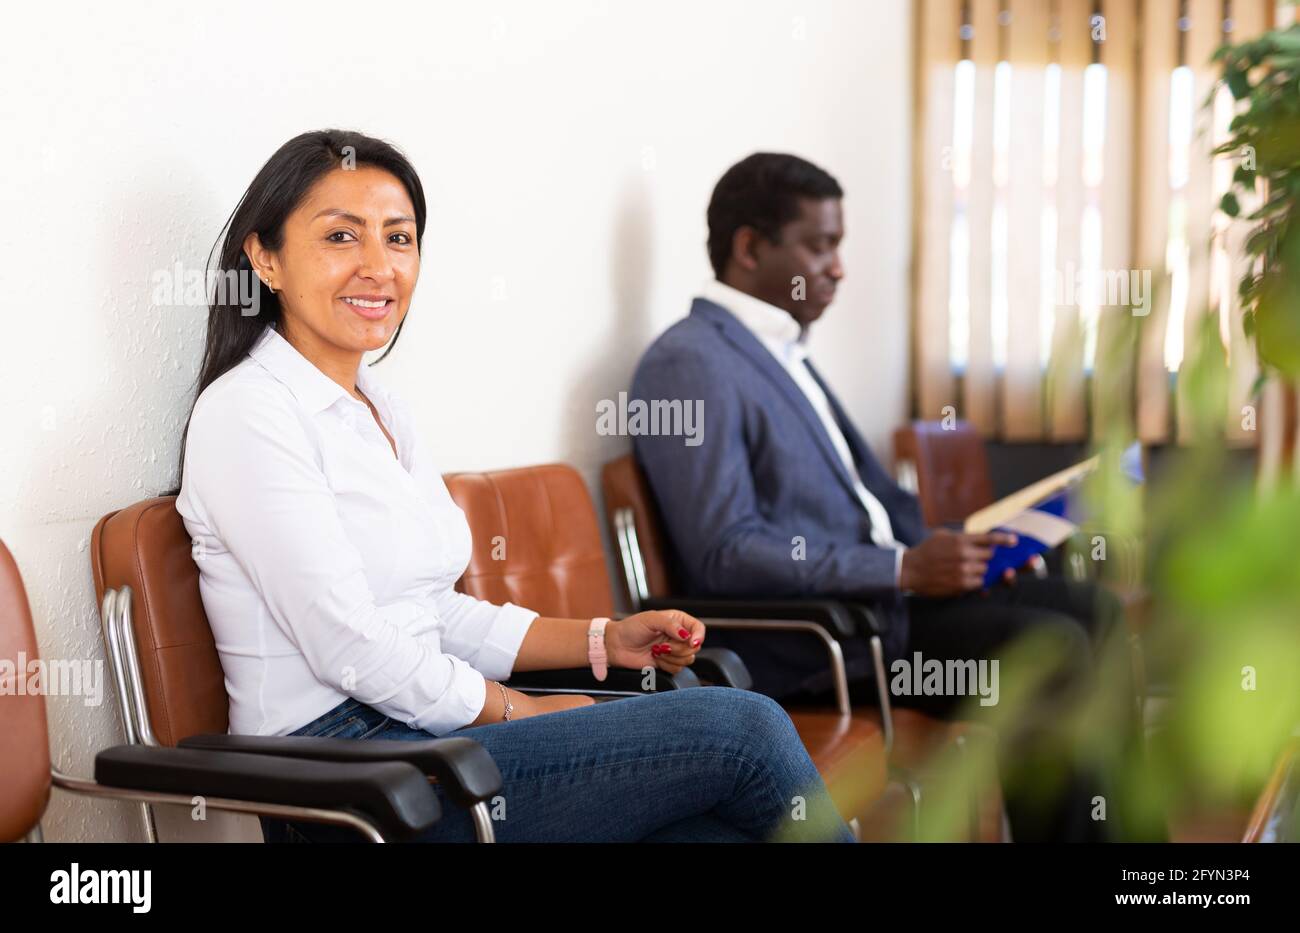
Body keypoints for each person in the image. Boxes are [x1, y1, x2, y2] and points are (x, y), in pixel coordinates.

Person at [171, 131, 852, 843]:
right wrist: (517, 710)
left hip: (425, 732)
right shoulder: (248, 413)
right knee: (744, 726)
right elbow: (349, 643)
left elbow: (436, 612)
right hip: (351, 783)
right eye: (342, 236)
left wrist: (603, 639)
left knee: (719, 835)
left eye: (399, 239)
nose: (379, 266)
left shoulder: (377, 406)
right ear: (265, 258)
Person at [630, 152, 1157, 842]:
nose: (838, 267)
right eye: (820, 246)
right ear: (751, 247)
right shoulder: (691, 361)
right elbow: (725, 550)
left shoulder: (784, 351)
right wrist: (903, 570)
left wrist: (969, 544)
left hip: (890, 609)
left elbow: (872, 505)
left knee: (1093, 612)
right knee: (1050, 652)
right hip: (832, 647)